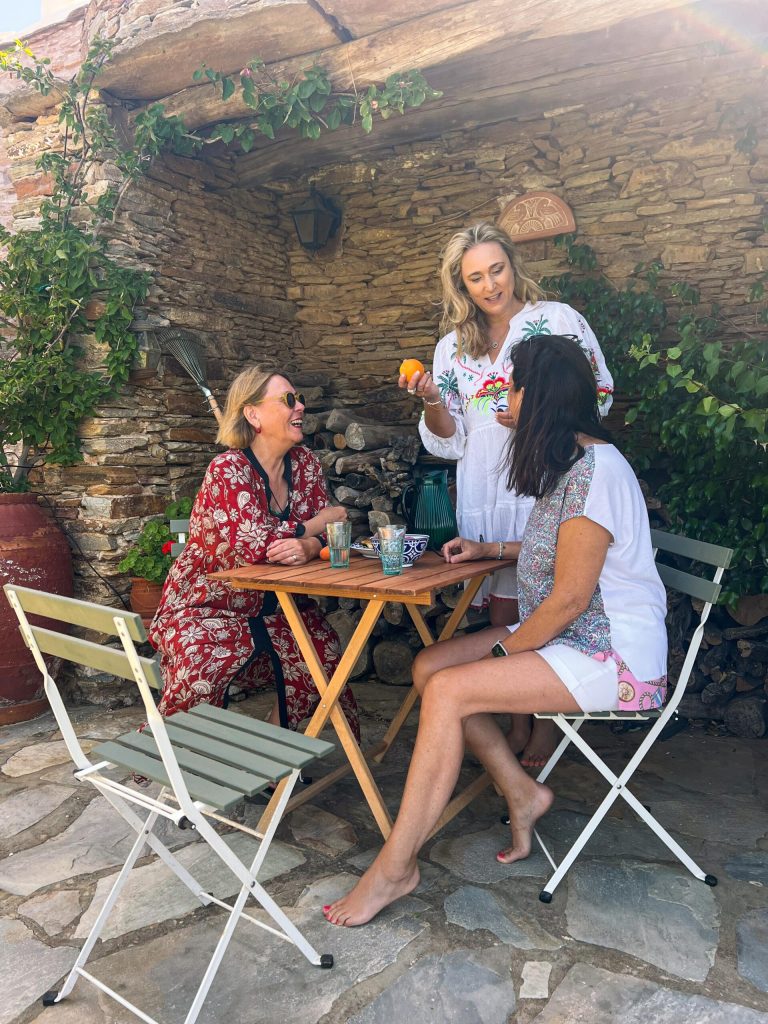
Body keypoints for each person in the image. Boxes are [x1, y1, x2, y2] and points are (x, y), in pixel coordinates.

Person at [325, 334, 667, 927]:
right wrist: (492, 548)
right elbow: (555, 553)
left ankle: (395, 867)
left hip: (612, 654)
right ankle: (522, 791)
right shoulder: (572, 467)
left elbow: (568, 600)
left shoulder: (596, 472)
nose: (505, 397)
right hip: (570, 637)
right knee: (431, 667)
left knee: (453, 689)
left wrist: (504, 650)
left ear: (539, 398)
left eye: (514, 387)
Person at [401, 221, 614, 768]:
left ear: (514, 266)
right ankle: (518, 721)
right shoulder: (453, 348)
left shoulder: (556, 320)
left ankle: (541, 732)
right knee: (504, 605)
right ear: (461, 286)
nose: (490, 285)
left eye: (497, 270)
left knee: (546, 593)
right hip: (485, 486)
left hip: (544, 477)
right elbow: (449, 443)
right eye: (476, 277)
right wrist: (430, 398)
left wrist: (534, 418)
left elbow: (597, 397)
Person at [149, 366, 360, 741]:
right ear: (253, 414)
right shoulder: (228, 470)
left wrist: (311, 544)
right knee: (200, 663)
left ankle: (273, 744)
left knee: (323, 656)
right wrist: (313, 526)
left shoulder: (306, 465)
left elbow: (330, 535)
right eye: (289, 400)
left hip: (279, 609)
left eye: (301, 400)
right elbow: (255, 545)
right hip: (207, 607)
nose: (301, 408)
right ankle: (175, 755)